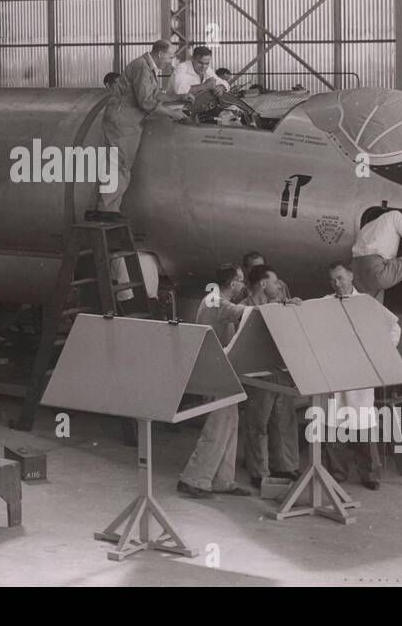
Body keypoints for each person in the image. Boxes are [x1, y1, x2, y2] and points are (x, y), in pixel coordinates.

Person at [320, 262, 401, 491]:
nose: (337, 284)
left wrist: (378, 353)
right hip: (335, 371)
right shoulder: (325, 303)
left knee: (363, 423)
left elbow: (394, 328)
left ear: (351, 277)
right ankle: (337, 472)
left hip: (360, 373)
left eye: (340, 278)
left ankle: (369, 473)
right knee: (333, 423)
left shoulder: (367, 303)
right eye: (333, 280)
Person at [88, 39, 185, 223]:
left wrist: (180, 96)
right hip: (124, 121)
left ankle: (100, 207)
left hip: (127, 120)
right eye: (170, 57)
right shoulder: (142, 67)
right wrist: (173, 114)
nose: (170, 62)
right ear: (160, 54)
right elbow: (146, 102)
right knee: (120, 164)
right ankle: (107, 210)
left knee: (116, 162)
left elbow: (155, 95)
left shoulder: (146, 66)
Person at [177, 264, 252, 499]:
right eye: (241, 281)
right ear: (232, 283)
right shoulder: (215, 301)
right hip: (213, 372)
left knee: (230, 423)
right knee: (218, 426)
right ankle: (192, 478)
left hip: (223, 370)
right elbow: (242, 312)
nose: (243, 286)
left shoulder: (216, 300)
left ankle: (222, 480)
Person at [241, 264, 302, 488]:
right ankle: (259, 472)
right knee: (258, 423)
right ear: (263, 284)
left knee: (284, 419)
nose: (279, 286)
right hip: (258, 372)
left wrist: (293, 308)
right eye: (275, 282)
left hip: (280, 370)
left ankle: (285, 466)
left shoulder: (278, 305)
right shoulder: (243, 308)